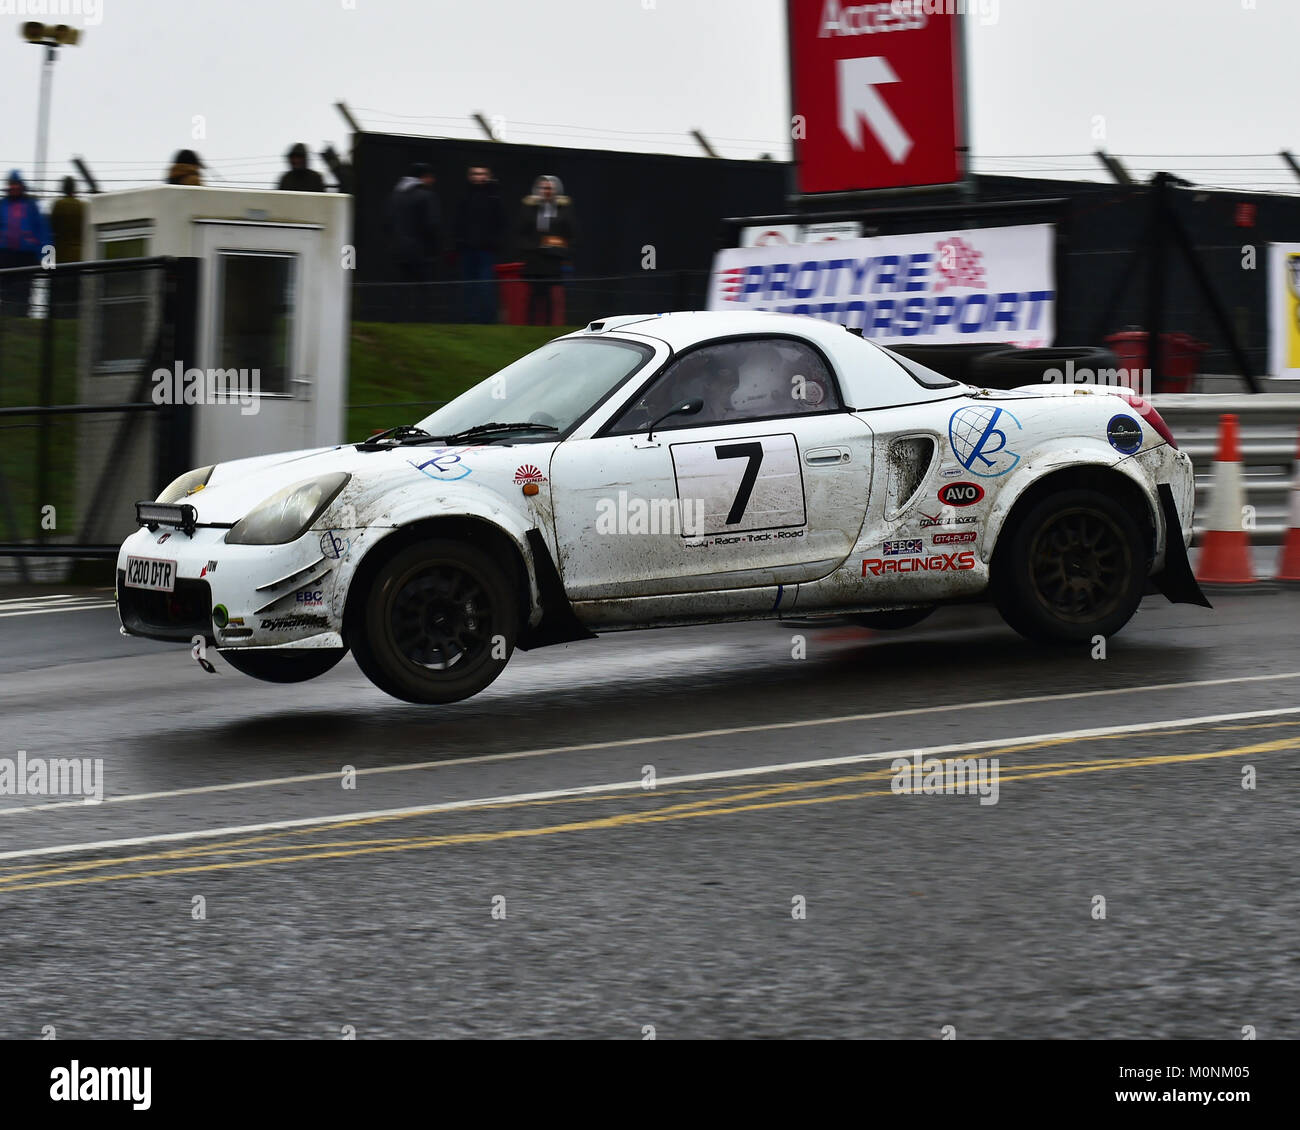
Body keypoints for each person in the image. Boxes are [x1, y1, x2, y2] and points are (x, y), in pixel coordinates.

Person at [517, 175, 576, 325]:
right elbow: (521, 233)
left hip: (553, 259)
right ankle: (529, 326)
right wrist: (536, 245)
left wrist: (560, 246)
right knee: (533, 295)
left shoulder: (564, 209)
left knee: (550, 296)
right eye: (544, 188)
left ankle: (549, 327)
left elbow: (571, 233)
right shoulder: (529, 208)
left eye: (550, 188)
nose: (547, 191)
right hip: (534, 258)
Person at [454, 165, 505, 323]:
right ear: (470, 176)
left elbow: (501, 222)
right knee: (469, 285)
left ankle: (486, 318)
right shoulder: (464, 196)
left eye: (482, 173)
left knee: (485, 285)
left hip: (485, 249)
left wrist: (493, 241)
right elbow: (458, 222)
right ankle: (471, 317)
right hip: (468, 247)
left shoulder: (494, 197)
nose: (479, 177)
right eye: (476, 173)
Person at [0, 170, 52, 317]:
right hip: (5, 256)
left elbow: (44, 232)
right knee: (6, 293)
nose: (13, 187)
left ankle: (21, 319)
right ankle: (6, 322)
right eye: (11, 184)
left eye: (16, 184)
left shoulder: (32, 206)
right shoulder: (2, 205)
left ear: (22, 186)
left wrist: (49, 260)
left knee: (24, 292)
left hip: (26, 256)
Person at [48, 176, 84, 312]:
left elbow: (50, 231)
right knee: (74, 295)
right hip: (78, 258)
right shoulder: (82, 206)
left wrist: (47, 261)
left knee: (58, 296)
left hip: (60, 257)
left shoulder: (58, 205)